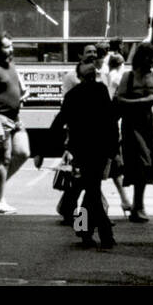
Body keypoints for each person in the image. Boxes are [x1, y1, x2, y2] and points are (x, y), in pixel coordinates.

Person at [47, 54, 118, 249]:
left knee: (90, 191)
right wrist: (114, 148)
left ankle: (86, 232)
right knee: (92, 192)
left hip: (81, 150)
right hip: (99, 149)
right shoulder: (101, 90)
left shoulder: (73, 95)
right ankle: (102, 233)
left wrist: (44, 149)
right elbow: (111, 121)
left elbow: (60, 121)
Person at [114, 42, 153, 223]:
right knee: (141, 162)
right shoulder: (128, 76)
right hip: (131, 125)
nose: (152, 61)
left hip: (148, 125)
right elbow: (119, 99)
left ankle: (137, 205)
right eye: (149, 57)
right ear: (141, 58)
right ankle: (137, 206)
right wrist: (142, 101)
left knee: (147, 164)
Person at [0, 33, 30, 214]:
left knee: (23, 152)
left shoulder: (11, 64)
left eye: (11, 45)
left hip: (15, 118)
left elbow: (16, 87)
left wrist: (21, 96)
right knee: (4, 159)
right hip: (1, 119)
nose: (10, 49)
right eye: (5, 46)